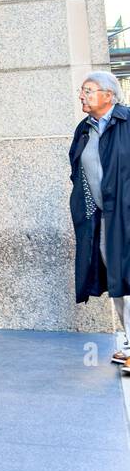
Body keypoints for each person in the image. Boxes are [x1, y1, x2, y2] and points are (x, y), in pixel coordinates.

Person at [68, 71, 130, 373]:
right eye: (82, 91)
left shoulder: (127, 122)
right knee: (118, 282)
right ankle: (129, 341)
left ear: (109, 94)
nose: (82, 95)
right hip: (103, 218)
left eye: (88, 90)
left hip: (126, 216)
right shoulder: (84, 129)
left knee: (127, 279)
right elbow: (77, 169)